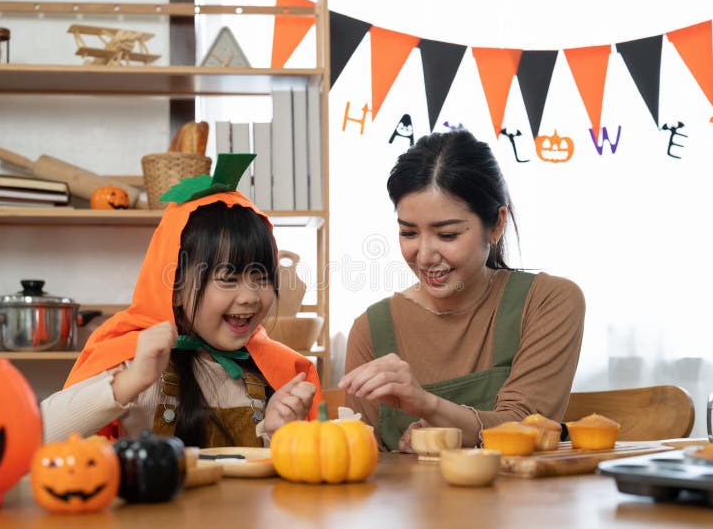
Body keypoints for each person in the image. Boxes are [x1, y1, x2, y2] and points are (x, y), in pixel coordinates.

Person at [41, 155, 321, 446]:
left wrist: (280, 433)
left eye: (262, 277)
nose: (250, 297)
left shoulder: (275, 374)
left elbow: (290, 479)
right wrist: (130, 381)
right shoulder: (137, 361)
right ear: (174, 284)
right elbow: (33, 436)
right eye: (228, 278)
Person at [339, 130, 584, 452]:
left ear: (496, 224)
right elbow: (357, 455)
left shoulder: (547, 302)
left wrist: (426, 404)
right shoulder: (372, 329)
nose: (424, 255)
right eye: (408, 232)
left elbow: (527, 428)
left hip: (520, 502)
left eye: (448, 235)